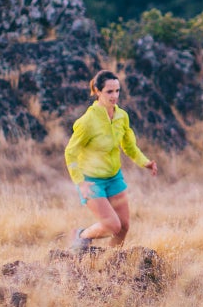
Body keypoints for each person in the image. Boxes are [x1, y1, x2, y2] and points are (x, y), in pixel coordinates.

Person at [64, 70, 158, 251]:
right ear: (98, 91)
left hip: (114, 178)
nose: (114, 96)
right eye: (109, 91)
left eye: (117, 91)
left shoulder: (121, 116)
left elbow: (129, 147)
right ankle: (81, 235)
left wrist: (145, 162)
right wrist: (80, 183)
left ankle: (110, 264)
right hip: (91, 181)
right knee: (112, 225)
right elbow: (70, 152)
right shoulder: (87, 121)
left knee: (123, 228)